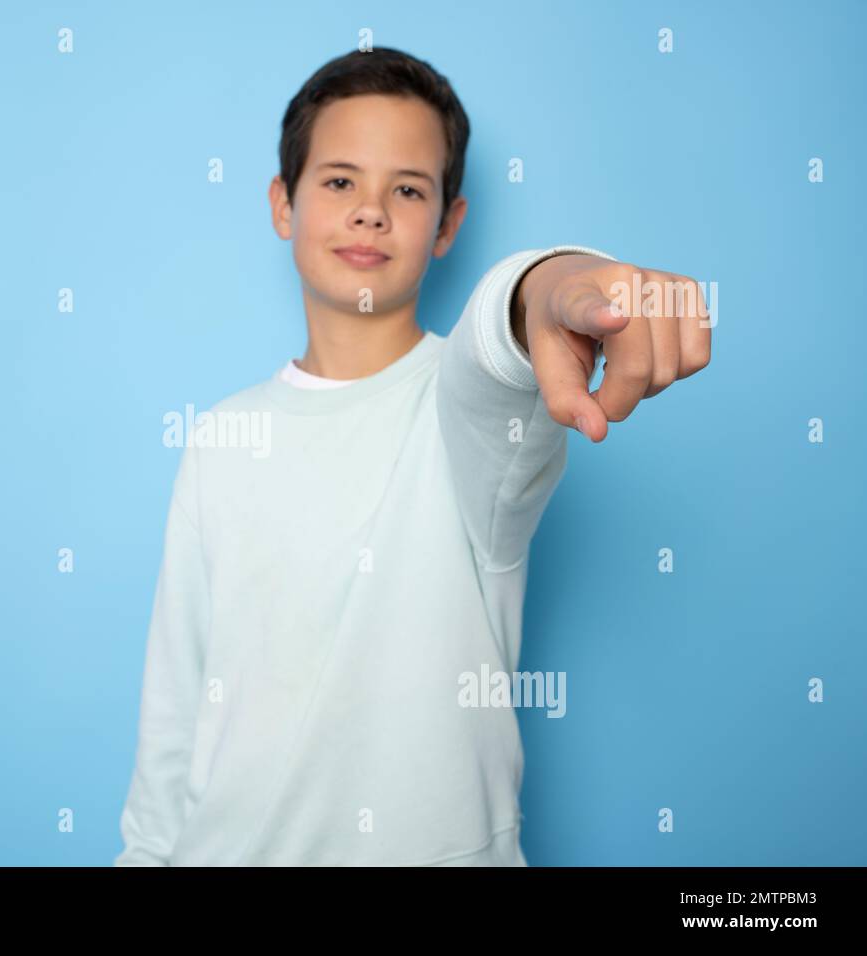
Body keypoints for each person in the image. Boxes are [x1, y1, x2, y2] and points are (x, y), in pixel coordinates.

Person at [115, 46, 711, 866]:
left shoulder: (471, 409)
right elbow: (174, 714)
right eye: (338, 181)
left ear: (449, 224)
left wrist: (565, 283)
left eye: (407, 189)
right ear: (282, 205)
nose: (370, 212)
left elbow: (502, 338)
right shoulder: (220, 434)